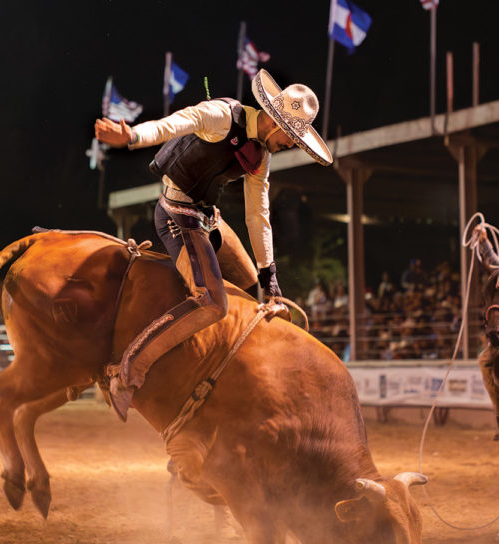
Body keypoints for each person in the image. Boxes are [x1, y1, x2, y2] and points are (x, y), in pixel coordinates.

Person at [94, 69, 333, 419]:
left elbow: (258, 216)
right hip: (177, 213)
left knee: (253, 292)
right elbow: (172, 124)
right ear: (274, 122)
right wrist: (131, 135)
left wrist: (271, 282)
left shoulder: (261, 156)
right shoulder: (222, 115)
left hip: (208, 217)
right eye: (293, 137)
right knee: (211, 303)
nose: (292, 144)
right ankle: (129, 370)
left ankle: (219, 379)